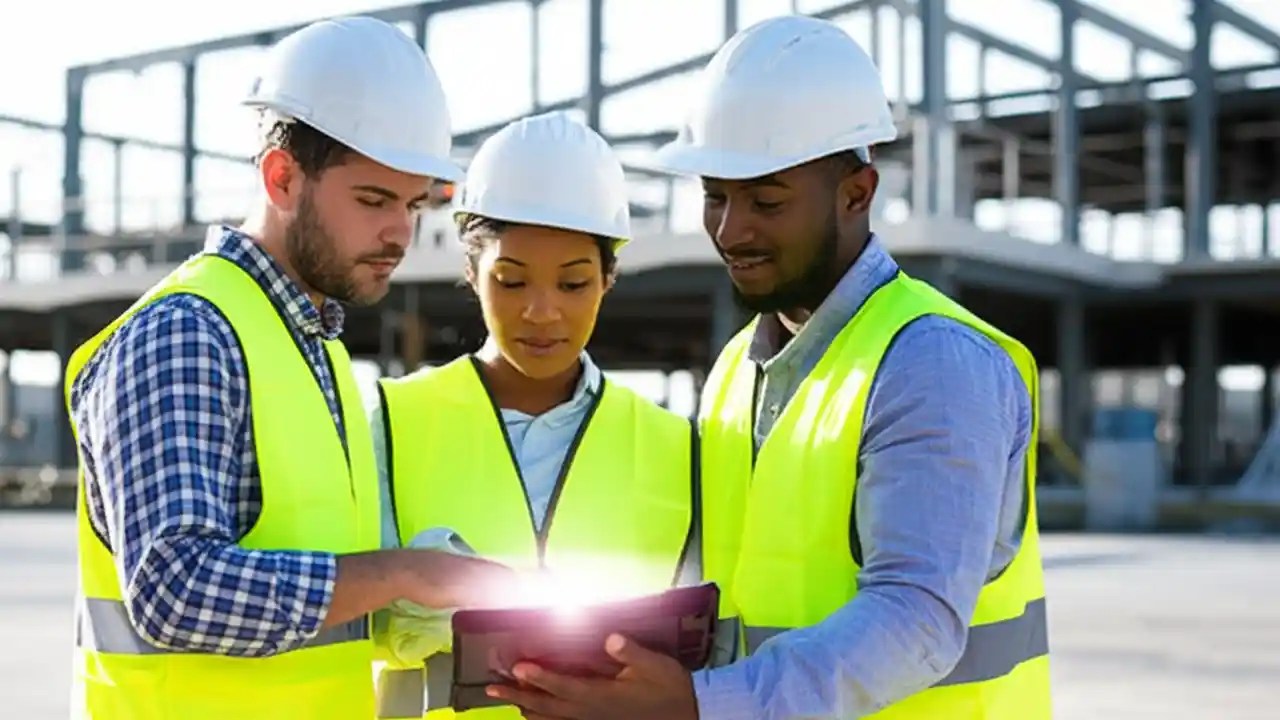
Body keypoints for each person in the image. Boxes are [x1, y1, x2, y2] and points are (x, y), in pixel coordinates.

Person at [490, 15, 1052, 720]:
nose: (731, 231)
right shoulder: (737, 368)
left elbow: (916, 619)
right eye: (715, 196)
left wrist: (698, 703)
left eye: (766, 201)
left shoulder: (933, 362)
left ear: (857, 193)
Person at [64, 17, 514, 720]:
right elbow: (172, 590)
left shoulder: (318, 349)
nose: (400, 232)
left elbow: (318, 599)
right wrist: (400, 572)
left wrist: (415, 599)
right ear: (281, 177)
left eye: (413, 203)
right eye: (373, 200)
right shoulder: (188, 333)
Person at [366, 111, 706, 719]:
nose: (542, 312)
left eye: (573, 285)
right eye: (512, 281)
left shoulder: (676, 446)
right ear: (472, 274)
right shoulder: (392, 421)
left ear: (608, 278)